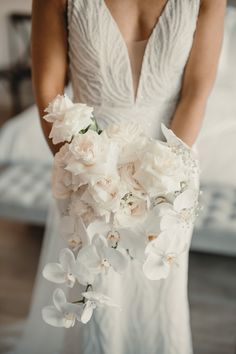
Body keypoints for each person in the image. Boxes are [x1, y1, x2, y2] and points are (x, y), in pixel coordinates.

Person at [10, 1, 226, 353]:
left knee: (159, 291)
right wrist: (89, 178)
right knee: (96, 300)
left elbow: (196, 92)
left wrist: (162, 179)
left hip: (169, 169)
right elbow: (48, 92)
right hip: (87, 169)